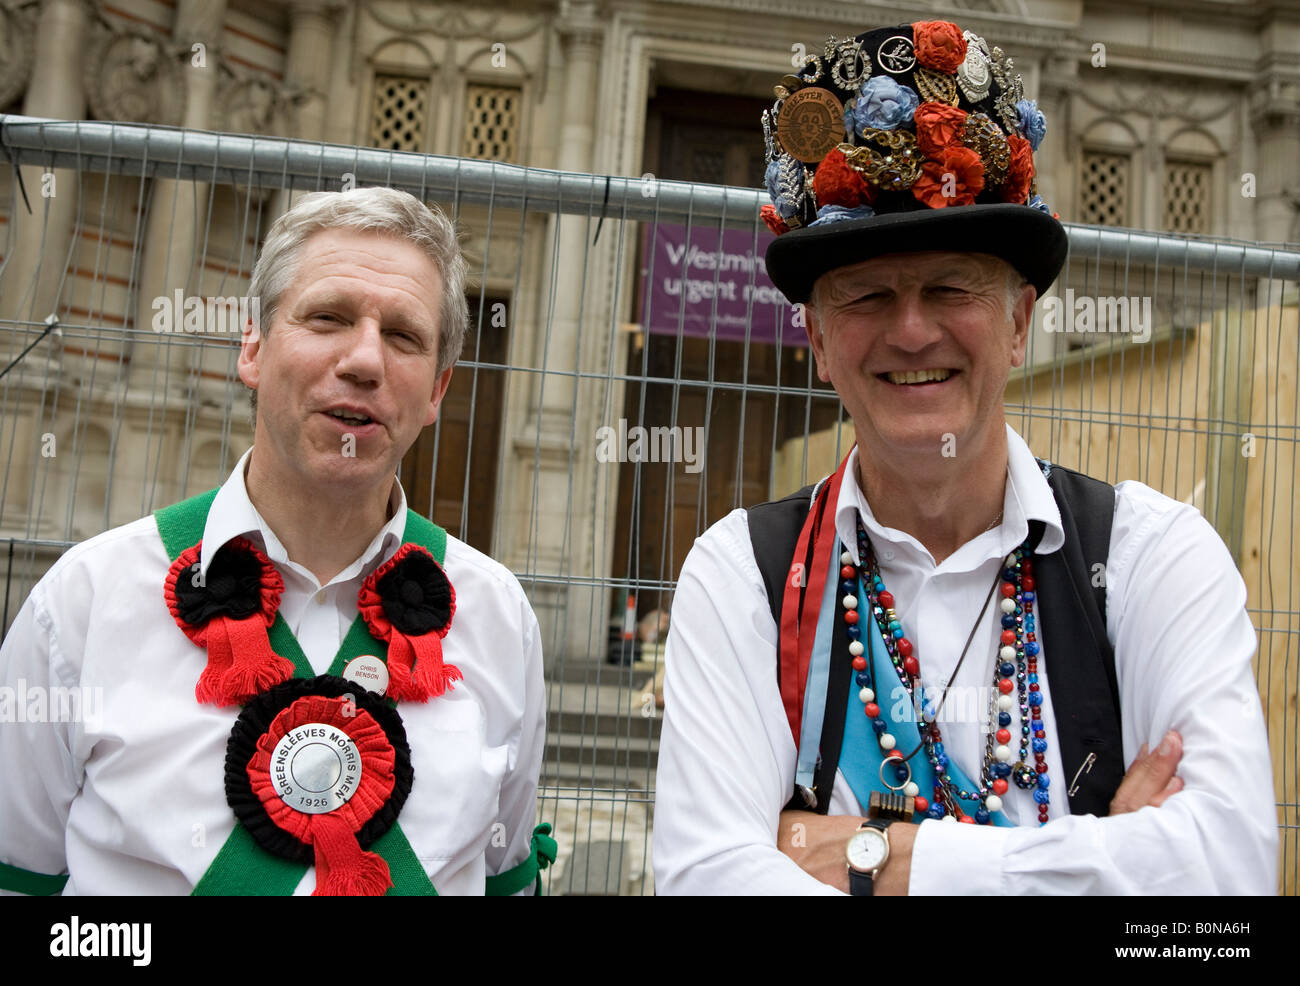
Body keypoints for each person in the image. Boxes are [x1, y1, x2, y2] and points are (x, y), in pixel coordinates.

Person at [653, 19, 1277, 894]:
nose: (912, 331)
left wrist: (880, 858)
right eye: (868, 294)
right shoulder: (743, 576)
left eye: (951, 287)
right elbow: (707, 880)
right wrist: (1105, 862)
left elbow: (1224, 892)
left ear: (1019, 322)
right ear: (820, 343)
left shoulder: (1154, 557)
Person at [0, 186, 552, 895]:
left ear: (438, 389)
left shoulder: (498, 617)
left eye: (404, 337)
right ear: (253, 348)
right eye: (327, 318)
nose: (365, 361)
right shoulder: (85, 601)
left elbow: (507, 880)